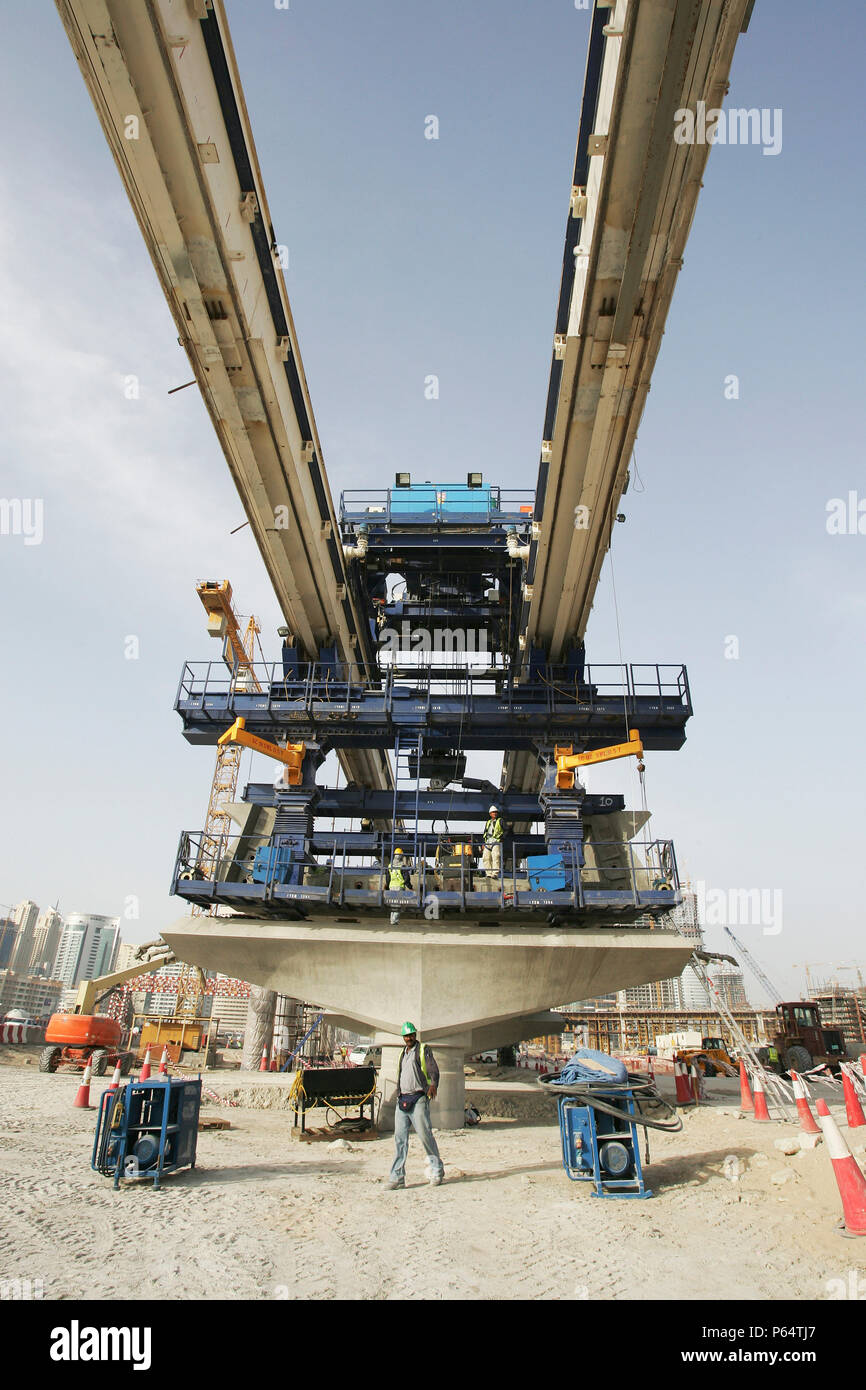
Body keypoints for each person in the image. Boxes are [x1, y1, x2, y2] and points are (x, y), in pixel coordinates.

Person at [387, 1022, 445, 1189]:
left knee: (425, 1135)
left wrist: (433, 1084)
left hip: (418, 1098)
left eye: (411, 1035)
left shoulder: (422, 1050)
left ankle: (436, 1171)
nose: (409, 1038)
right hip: (403, 1100)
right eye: (406, 1036)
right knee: (400, 1139)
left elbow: (432, 1068)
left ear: (415, 1035)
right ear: (403, 1037)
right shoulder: (402, 1053)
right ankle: (397, 1177)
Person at [482, 806, 504, 880]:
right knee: (486, 857)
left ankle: (495, 874)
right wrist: (484, 843)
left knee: (495, 857)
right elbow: (485, 832)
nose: (494, 813)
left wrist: (501, 839)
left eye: (495, 812)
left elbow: (506, 830)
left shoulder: (500, 821)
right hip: (488, 842)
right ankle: (488, 874)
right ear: (490, 814)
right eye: (493, 812)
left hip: (496, 841)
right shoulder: (488, 822)